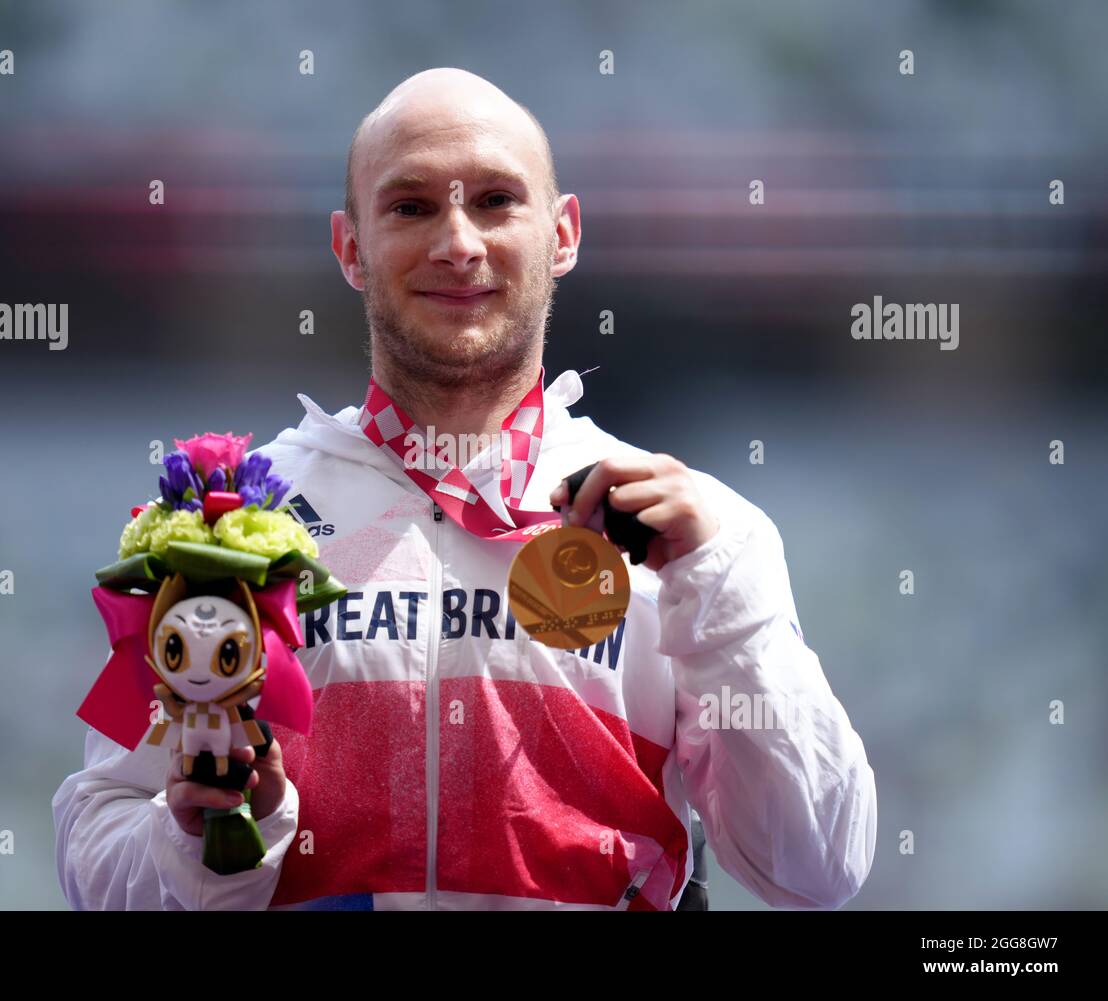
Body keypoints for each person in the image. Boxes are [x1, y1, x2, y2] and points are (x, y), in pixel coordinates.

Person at [53, 67, 877, 910]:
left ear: (563, 233)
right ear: (350, 248)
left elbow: (817, 867)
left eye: (494, 201)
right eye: (410, 207)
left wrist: (718, 596)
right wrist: (206, 844)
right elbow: (94, 834)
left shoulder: (701, 535)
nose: (458, 243)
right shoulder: (216, 530)